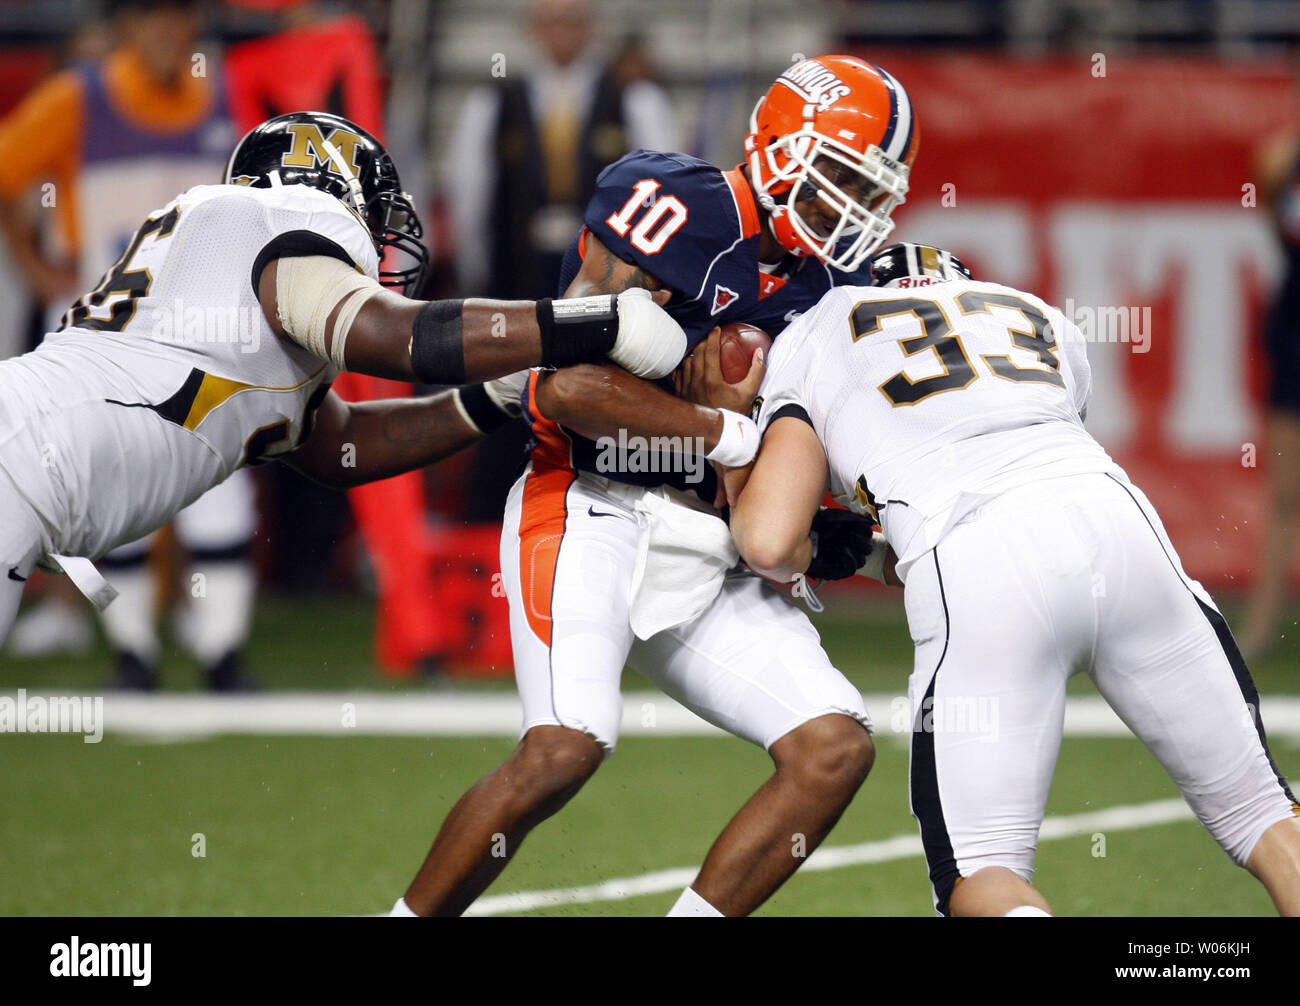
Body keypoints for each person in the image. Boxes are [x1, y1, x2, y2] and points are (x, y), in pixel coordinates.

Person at [394, 55, 915, 918]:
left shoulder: (837, 287)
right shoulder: (682, 205)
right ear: (781, 149)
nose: (849, 212)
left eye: (870, 193)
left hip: (703, 537)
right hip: (585, 495)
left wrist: (843, 534)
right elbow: (568, 387)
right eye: (836, 182)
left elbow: (782, 490)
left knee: (833, 748)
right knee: (564, 748)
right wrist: (727, 432)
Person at [697, 241, 1300, 917]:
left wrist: (807, 527)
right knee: (1264, 816)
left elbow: (769, 543)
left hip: (979, 563)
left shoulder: (816, 330)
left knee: (981, 873)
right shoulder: (1036, 315)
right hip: (1123, 530)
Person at [0, 110, 688, 643]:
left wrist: (504, 394)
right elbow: (399, 337)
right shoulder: (282, 218)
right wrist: (595, 322)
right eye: (376, 216)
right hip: (21, 466)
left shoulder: (220, 274)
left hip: (26, 458)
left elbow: (338, 447)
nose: (382, 243)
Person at [0, 0, 256, 687]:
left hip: (207, 333)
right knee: (118, 492)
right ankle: (134, 650)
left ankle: (222, 650)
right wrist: (33, 265)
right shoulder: (79, 96)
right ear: (125, 27)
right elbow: (7, 170)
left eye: (177, 18)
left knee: (221, 489)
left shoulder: (229, 92)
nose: (167, 32)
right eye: (151, 18)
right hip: (107, 335)